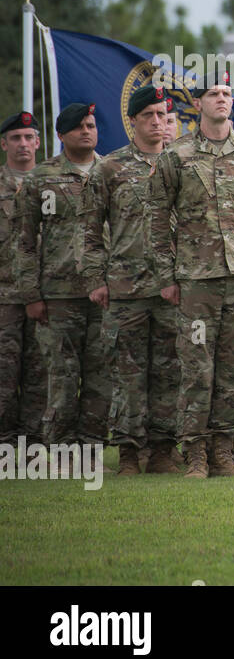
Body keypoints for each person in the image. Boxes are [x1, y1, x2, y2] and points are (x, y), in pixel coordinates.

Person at [148, 73, 234, 478]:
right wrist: (168, 275)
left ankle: (224, 451)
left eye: (226, 94)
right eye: (213, 94)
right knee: (197, 367)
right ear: (198, 104)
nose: (221, 99)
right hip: (197, 281)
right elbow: (155, 218)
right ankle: (196, 454)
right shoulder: (177, 156)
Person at [83, 86, 181, 474]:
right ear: (133, 122)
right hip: (125, 287)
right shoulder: (109, 168)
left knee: (170, 372)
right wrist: (95, 278)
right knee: (126, 374)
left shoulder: (181, 163)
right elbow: (89, 229)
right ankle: (127, 453)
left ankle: (161, 452)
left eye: (162, 114)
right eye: (149, 116)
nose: (157, 122)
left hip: (172, 286)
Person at [15, 102, 111, 466]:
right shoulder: (42, 177)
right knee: (62, 374)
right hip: (58, 292)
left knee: (101, 375)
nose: (87, 131)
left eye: (91, 125)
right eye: (79, 127)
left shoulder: (111, 171)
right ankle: (61, 449)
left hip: (104, 292)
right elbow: (24, 241)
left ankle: (92, 449)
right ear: (60, 135)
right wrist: (31, 294)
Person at [0, 111, 48, 447]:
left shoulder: (51, 185)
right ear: (4, 144)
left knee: (41, 371)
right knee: (3, 371)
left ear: (38, 142)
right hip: (3, 296)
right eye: (16, 137)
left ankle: (34, 443)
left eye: (29, 137)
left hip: (44, 295)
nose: (23, 144)